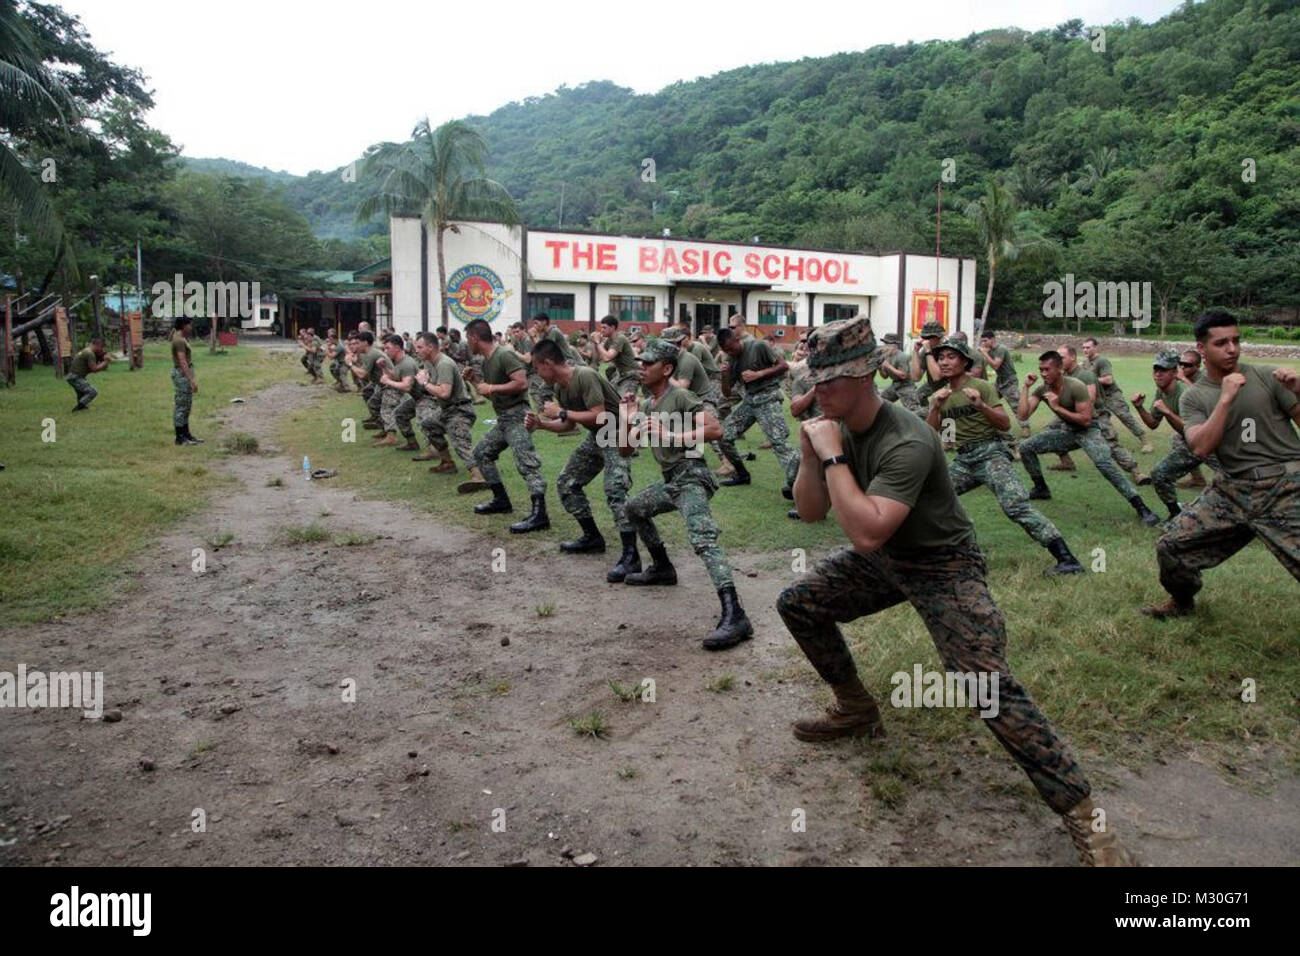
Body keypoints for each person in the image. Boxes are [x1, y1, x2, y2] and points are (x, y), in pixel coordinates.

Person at [776, 316, 1133, 867]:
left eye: (830, 381)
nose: (817, 391)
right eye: (814, 380)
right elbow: (812, 511)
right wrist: (810, 454)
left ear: (868, 375)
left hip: (944, 565)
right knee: (798, 604)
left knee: (987, 684)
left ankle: (1087, 817)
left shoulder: (907, 439)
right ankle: (856, 709)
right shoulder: (834, 425)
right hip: (885, 559)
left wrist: (833, 457)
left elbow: (867, 528)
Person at [1141, 311, 1300, 618]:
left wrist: (1299, 392)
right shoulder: (1195, 397)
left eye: (1236, 341)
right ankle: (1183, 604)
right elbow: (1200, 446)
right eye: (1222, 343)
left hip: (1285, 487)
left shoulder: (1268, 377)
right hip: (1232, 489)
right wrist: (1225, 399)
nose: (1232, 349)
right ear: (1202, 348)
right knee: (1171, 548)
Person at [620, 339, 753, 650]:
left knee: (703, 538)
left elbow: (715, 429)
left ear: (666, 369)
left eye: (648, 363)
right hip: (671, 481)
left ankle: (736, 614)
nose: (641, 368)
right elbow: (626, 449)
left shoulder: (680, 396)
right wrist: (628, 417)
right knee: (634, 508)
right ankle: (663, 568)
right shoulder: (647, 404)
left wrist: (672, 434)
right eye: (640, 362)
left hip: (692, 477)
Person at [927, 339, 1084, 575]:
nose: (944, 362)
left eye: (951, 357)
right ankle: (961, 555)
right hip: (964, 459)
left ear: (964, 361)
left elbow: (1004, 423)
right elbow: (937, 432)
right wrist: (935, 408)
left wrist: (980, 406)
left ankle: (1067, 560)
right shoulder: (941, 395)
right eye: (941, 358)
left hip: (991, 454)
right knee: (931, 499)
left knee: (1015, 506)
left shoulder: (981, 387)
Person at [528, 339, 636, 577]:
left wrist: (562, 412)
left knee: (615, 490)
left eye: (537, 367)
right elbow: (568, 424)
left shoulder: (584, 375)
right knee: (567, 482)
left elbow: (600, 416)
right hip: (598, 436)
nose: (536, 373)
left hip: (617, 434)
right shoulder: (560, 387)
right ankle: (592, 537)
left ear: (547, 363)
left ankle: (632, 554)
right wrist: (542, 424)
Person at [1016, 351, 1161, 526]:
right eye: (1041, 370)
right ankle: (1041, 488)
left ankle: (1141, 507)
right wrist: (1026, 387)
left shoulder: (1076, 386)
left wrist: (1056, 407)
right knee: (1025, 447)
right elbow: (1023, 415)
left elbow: (1085, 420)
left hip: (1088, 430)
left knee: (1104, 464)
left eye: (1047, 369)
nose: (1043, 374)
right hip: (1068, 431)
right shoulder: (1043, 389)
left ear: (1060, 369)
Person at [458, 318, 549, 533]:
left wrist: (491, 387)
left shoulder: (504, 354)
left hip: (518, 416)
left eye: (467, 339)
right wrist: (474, 381)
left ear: (474, 337)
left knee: (526, 463)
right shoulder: (487, 360)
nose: (467, 344)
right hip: (504, 419)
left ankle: (540, 514)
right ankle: (501, 501)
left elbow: (521, 383)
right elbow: (493, 395)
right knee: (481, 453)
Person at [715, 327, 799, 497]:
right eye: (726, 351)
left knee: (779, 443)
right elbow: (726, 392)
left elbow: (783, 366)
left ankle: (797, 484)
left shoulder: (758, 346)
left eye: (731, 348)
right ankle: (742, 475)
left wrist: (758, 374)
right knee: (723, 436)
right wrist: (724, 375)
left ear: (737, 340)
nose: (730, 352)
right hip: (750, 400)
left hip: (768, 397)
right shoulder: (731, 360)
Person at [1132, 350, 1205, 521]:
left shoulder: (1186, 394)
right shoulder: (1161, 392)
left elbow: (1192, 430)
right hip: (1191, 444)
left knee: (1234, 484)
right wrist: (1139, 407)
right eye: (1155, 370)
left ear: (1174, 373)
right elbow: (1153, 423)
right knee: (1159, 474)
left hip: (1211, 443)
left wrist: (1168, 412)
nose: (1157, 374)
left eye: (1163, 370)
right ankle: (1175, 513)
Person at [1058, 345, 1148, 484]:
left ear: (1072, 357)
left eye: (1062, 358)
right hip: (1076, 414)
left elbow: (1090, 400)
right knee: (1052, 431)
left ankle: (1136, 472)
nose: (1059, 361)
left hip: (1096, 416)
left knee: (1111, 444)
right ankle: (1066, 462)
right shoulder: (1064, 376)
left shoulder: (1085, 375)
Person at [408, 332, 480, 477]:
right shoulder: (429, 362)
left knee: (460, 441)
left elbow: (444, 393)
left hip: (460, 410)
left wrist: (425, 383)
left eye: (420, 347)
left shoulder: (444, 363)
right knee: (428, 424)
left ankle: (479, 475)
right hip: (447, 409)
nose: (417, 350)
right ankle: (447, 463)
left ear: (430, 347)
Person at [1082, 337, 1151, 453]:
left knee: (1126, 418)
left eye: (1088, 347)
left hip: (1112, 396)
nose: (1085, 350)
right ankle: (1110, 443)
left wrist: (1091, 380)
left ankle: (1146, 442)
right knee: (1101, 420)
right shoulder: (1086, 362)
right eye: (1083, 348)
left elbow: (1108, 380)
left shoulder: (1102, 361)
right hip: (1100, 397)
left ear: (1095, 347)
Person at [979, 329, 1030, 441]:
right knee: (989, 400)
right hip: (1000, 381)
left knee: (1016, 405)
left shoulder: (1001, 349)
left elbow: (996, 365)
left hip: (1009, 381)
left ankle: (1025, 427)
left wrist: (984, 353)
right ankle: (989, 425)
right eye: (982, 341)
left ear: (992, 339)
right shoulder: (990, 350)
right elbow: (984, 366)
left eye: (985, 341)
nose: (983, 343)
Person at [371, 335, 414, 448]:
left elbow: (406, 386)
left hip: (421, 398)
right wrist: (384, 367)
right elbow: (395, 377)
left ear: (397, 348)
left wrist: (388, 382)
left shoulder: (407, 363)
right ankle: (411, 442)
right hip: (415, 397)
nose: (385, 351)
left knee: (425, 422)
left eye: (387, 348)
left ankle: (392, 437)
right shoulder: (399, 362)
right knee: (399, 413)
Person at [1175, 350, 1209, 489]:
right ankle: (1197, 478)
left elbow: (1202, 397)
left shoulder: (1205, 376)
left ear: (1197, 366)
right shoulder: (1188, 378)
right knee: (1177, 440)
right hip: (1201, 421)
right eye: (1181, 364)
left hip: (1220, 422)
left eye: (1187, 365)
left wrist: (1183, 379)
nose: (1182, 368)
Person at [589, 315, 640, 397]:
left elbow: (607, 357)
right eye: (601, 328)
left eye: (604, 328)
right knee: (609, 397)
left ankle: (632, 408)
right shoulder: (609, 341)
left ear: (612, 327)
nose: (601, 330)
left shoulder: (620, 338)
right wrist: (594, 343)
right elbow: (597, 358)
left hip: (630, 375)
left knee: (624, 402)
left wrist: (598, 343)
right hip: (620, 375)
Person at [345, 331, 386, 429]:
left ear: (365, 343)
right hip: (378, 382)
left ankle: (384, 427)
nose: (356, 346)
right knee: (367, 392)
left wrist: (350, 364)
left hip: (386, 384)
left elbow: (362, 374)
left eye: (358, 343)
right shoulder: (369, 353)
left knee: (375, 403)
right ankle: (377, 420)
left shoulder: (371, 354)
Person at [171, 317, 202, 446]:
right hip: (182, 375)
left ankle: (187, 435)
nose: (191, 327)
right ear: (183, 325)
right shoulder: (178, 340)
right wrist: (191, 379)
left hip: (185, 373)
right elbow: (182, 361)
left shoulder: (181, 338)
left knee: (186, 406)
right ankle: (180, 437)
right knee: (181, 406)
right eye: (189, 325)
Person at [909, 319, 946, 414]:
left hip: (951, 389)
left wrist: (928, 351)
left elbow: (937, 376)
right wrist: (916, 351)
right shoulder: (927, 350)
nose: (927, 340)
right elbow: (915, 377)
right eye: (925, 337)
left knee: (947, 420)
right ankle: (930, 415)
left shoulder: (947, 350)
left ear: (939, 337)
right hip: (935, 387)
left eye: (930, 337)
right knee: (918, 395)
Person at [877, 333, 919, 413]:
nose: (884, 346)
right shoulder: (886, 356)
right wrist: (880, 368)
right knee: (880, 402)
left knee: (914, 410)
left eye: (886, 344)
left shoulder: (902, 356)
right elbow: (885, 376)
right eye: (884, 343)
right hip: (895, 384)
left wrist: (889, 366)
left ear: (894, 346)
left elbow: (903, 375)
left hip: (906, 385)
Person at [66, 339, 108, 411]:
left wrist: (103, 362)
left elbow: (91, 369)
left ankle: (82, 407)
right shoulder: (90, 353)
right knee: (92, 392)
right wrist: (105, 361)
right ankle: (79, 407)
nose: (102, 350)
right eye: (101, 347)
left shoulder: (86, 350)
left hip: (73, 376)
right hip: (76, 377)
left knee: (81, 392)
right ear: (97, 346)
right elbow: (94, 369)